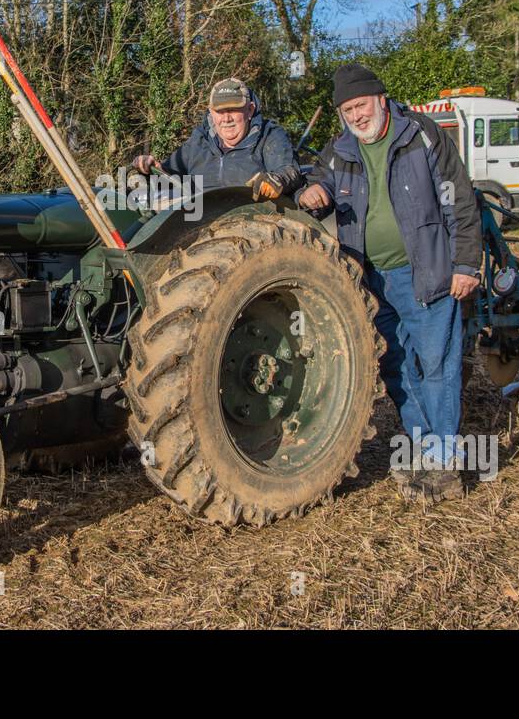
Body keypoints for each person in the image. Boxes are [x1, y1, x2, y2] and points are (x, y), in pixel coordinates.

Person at [297, 64, 482, 502]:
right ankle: (424, 450)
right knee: (395, 366)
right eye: (347, 110)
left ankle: (445, 465)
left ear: (380, 99)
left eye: (360, 105)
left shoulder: (422, 135)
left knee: (437, 367)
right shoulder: (341, 149)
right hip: (370, 281)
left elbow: (461, 199)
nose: (356, 116)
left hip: (427, 272)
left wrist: (467, 264)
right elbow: (319, 180)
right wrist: (313, 192)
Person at [132, 78, 301, 200]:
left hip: (250, 219)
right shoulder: (199, 141)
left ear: (250, 110)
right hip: (197, 222)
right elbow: (168, 177)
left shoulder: (270, 136)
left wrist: (275, 179)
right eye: (220, 111)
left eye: (233, 110)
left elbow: (288, 170)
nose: (226, 119)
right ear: (211, 113)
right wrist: (150, 167)